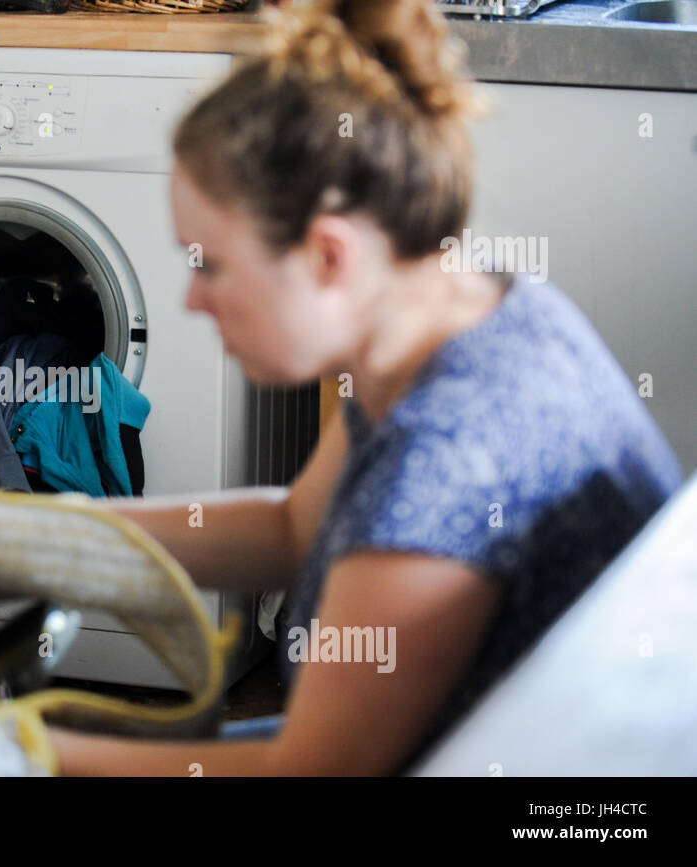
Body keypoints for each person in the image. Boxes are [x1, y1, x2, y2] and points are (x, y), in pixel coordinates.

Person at [44, 0, 685, 776]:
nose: (191, 298)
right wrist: (68, 538)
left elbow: (307, 775)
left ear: (329, 256)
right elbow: (294, 527)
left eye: (211, 263)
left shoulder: (448, 461)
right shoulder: (468, 316)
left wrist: (22, 756)